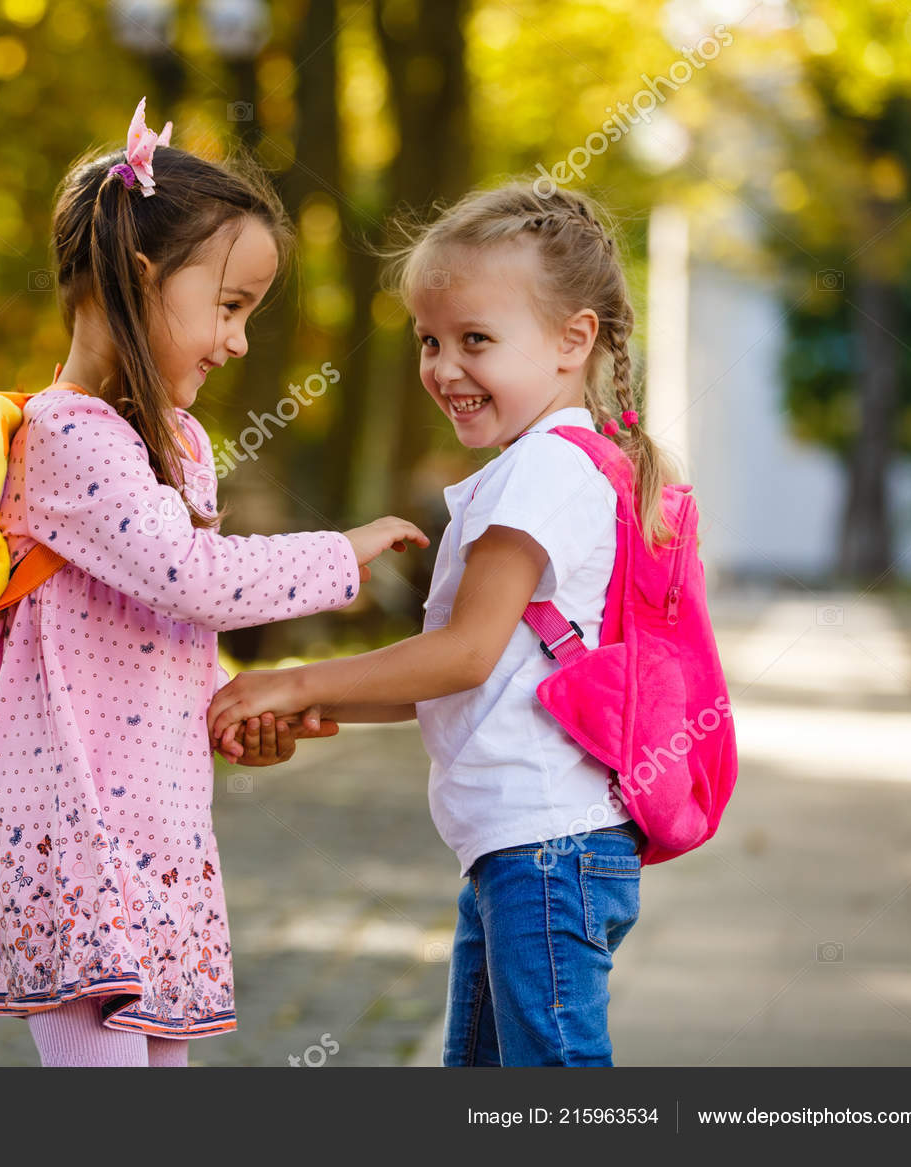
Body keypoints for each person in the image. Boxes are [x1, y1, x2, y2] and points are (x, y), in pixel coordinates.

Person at [0, 98, 428, 1067]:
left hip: (151, 824)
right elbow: (185, 576)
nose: (239, 340)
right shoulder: (66, 433)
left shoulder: (171, 440)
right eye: (230, 305)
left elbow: (150, 630)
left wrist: (223, 706)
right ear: (138, 278)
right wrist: (341, 551)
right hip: (71, 823)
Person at [206, 182, 686, 1066]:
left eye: (476, 340)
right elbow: (479, 673)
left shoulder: (545, 473)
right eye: (431, 341)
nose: (443, 367)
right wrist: (325, 707)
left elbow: (462, 656)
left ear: (572, 341)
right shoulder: (548, 466)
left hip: (545, 849)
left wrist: (297, 679)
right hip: (523, 849)